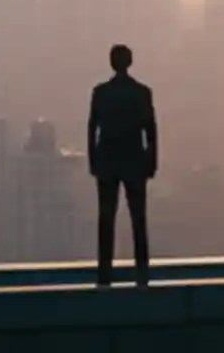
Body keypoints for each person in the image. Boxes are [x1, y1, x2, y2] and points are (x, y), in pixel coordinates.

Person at [88, 44, 157, 287]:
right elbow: (151, 132)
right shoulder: (141, 92)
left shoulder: (101, 93)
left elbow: (92, 129)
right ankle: (142, 271)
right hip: (134, 162)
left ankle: (104, 272)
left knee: (106, 219)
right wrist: (151, 162)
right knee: (138, 218)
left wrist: (94, 162)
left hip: (107, 162)